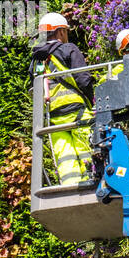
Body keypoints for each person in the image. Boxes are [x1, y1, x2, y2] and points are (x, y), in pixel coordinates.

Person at [31, 13, 95, 187]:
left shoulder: (37, 58)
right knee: (87, 149)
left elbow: (35, 87)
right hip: (77, 111)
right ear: (60, 32)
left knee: (65, 158)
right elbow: (84, 79)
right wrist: (93, 102)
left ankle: (70, 189)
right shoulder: (69, 49)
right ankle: (93, 183)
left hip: (53, 117)